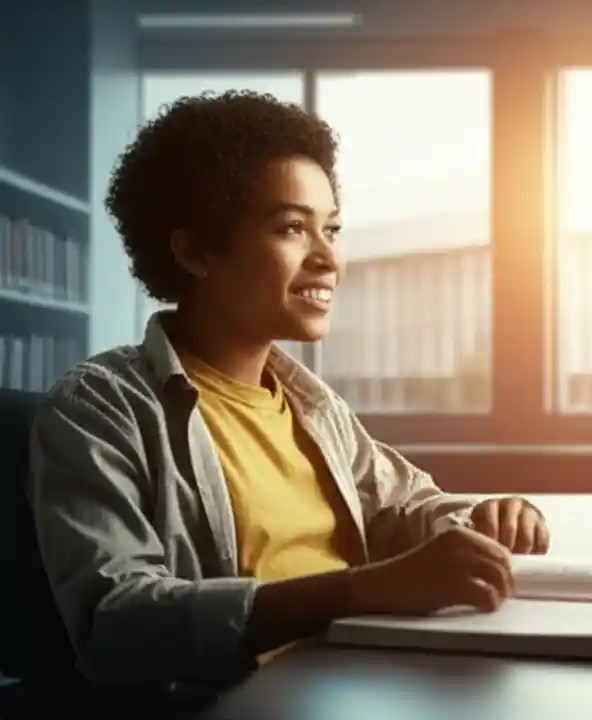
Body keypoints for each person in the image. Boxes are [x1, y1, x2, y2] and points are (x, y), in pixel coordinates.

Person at [26, 90, 549, 687]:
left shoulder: (309, 403)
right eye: (293, 228)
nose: (328, 258)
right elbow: (115, 622)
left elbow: (405, 506)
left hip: (360, 679)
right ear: (195, 250)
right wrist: (362, 590)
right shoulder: (100, 407)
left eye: (332, 228)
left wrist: (482, 517)